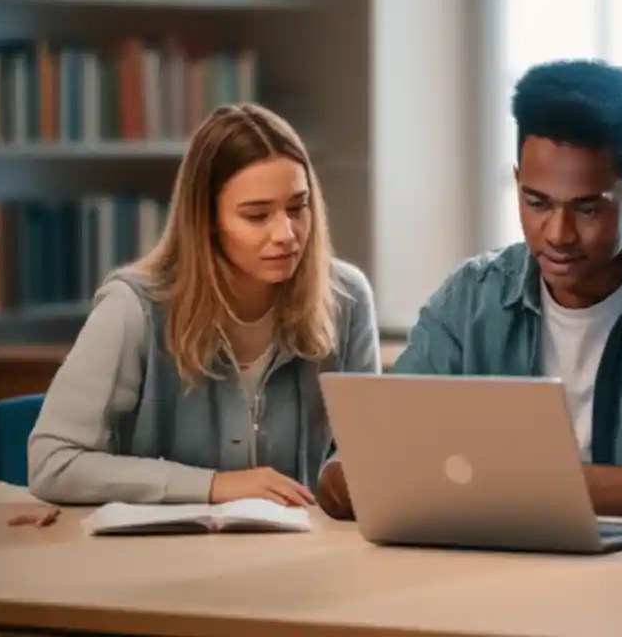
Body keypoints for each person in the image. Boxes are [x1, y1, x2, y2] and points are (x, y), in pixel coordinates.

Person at [316, 59, 622, 522]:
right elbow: (376, 453)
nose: (557, 234)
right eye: (536, 203)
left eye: (586, 210)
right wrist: (347, 476)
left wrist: (537, 487)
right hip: (495, 573)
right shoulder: (469, 300)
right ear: (518, 183)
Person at [26, 103, 380, 507]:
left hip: (301, 553)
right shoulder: (133, 308)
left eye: (298, 207)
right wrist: (211, 486)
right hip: (166, 561)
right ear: (206, 221)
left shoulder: (347, 298)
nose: (287, 234)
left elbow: (361, 454)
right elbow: (52, 464)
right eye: (257, 215)